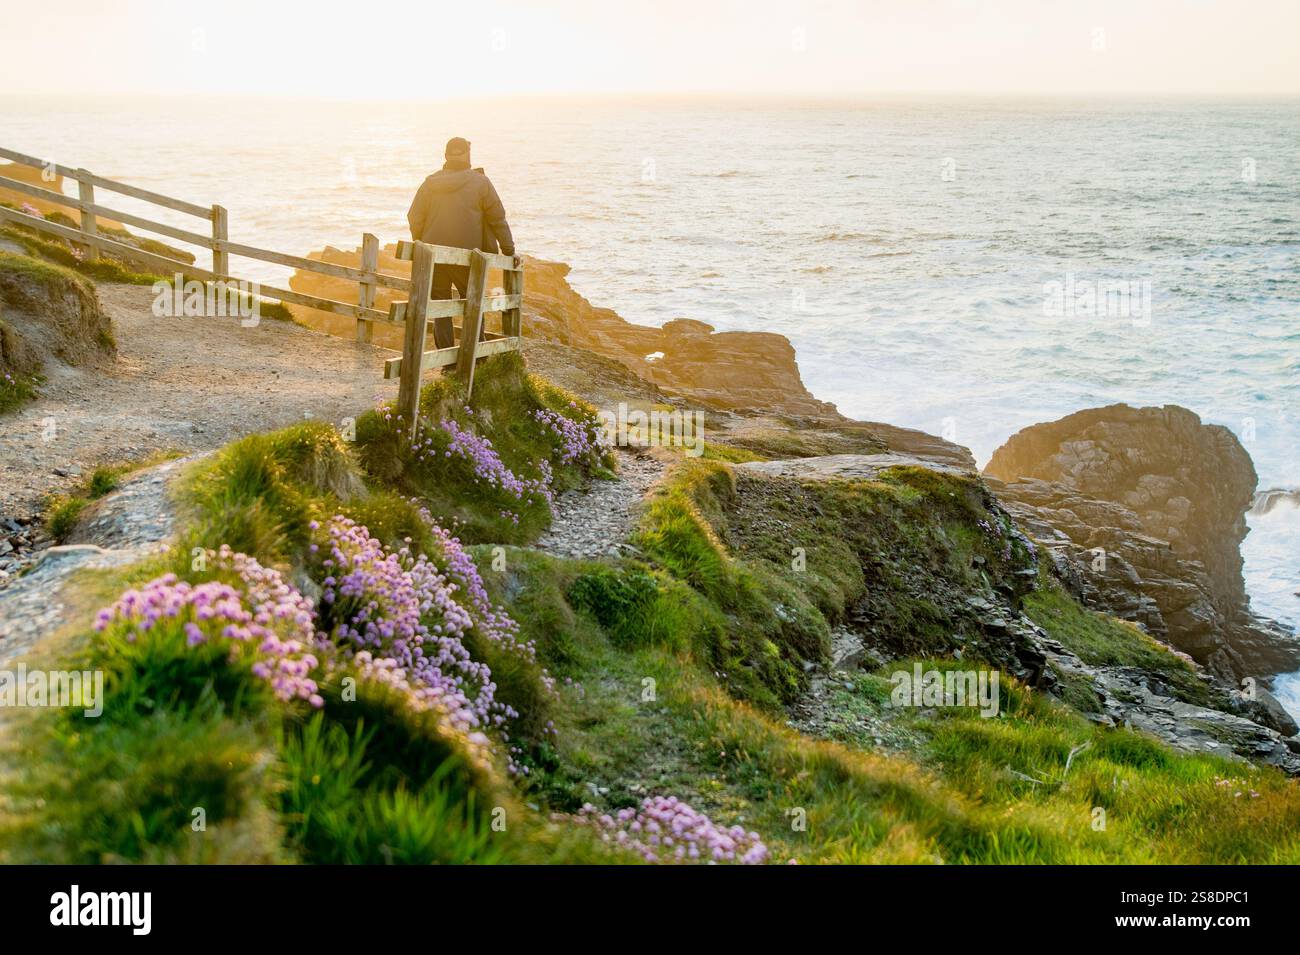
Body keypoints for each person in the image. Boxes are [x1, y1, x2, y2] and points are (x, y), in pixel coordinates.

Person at [406, 137, 516, 347]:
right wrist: (508, 249)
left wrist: (422, 243)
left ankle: (447, 360)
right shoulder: (481, 183)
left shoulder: (430, 183)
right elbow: (497, 218)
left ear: (446, 155)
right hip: (469, 258)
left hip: (434, 256)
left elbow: (414, 217)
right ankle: (474, 356)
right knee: (473, 304)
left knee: (441, 308)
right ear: (468, 154)